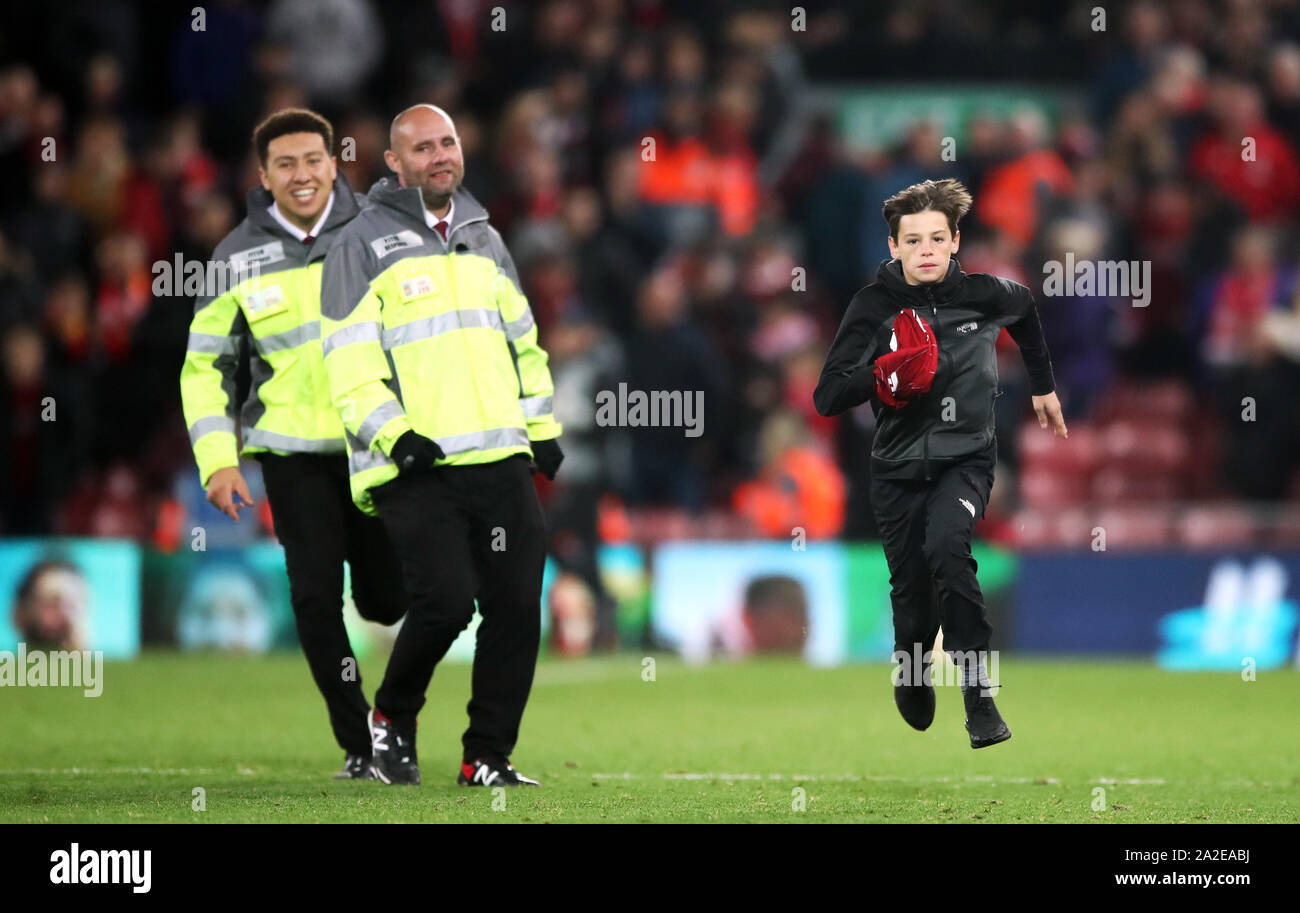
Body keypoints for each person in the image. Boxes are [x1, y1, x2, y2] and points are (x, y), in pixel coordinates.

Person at [320, 104, 563, 787]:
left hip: (498, 457)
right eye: (421, 147)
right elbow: (348, 358)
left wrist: (540, 430)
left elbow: (525, 339)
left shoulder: (484, 236)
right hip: (413, 461)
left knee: (516, 606)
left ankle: (486, 754)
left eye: (448, 142)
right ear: (393, 163)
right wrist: (393, 436)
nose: (439, 155)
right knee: (447, 602)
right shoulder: (358, 242)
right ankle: (392, 716)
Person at [180, 108, 407, 780]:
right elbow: (203, 367)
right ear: (264, 176)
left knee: (387, 600)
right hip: (289, 455)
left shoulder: (382, 232)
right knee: (312, 597)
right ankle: (361, 745)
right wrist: (219, 459)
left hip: (376, 445)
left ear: (335, 162)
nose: (302, 174)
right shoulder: (232, 258)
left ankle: (389, 723)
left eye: (313, 160)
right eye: (286, 164)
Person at [813, 178, 1067, 749]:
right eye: (913, 240)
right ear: (894, 247)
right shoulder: (872, 306)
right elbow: (826, 396)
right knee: (910, 601)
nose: (925, 249)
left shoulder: (985, 294)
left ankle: (979, 699)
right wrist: (882, 371)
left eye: (936, 238)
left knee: (949, 550)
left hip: (967, 460)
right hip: (896, 467)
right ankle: (912, 670)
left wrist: (1043, 388)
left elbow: (1025, 312)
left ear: (955, 241)